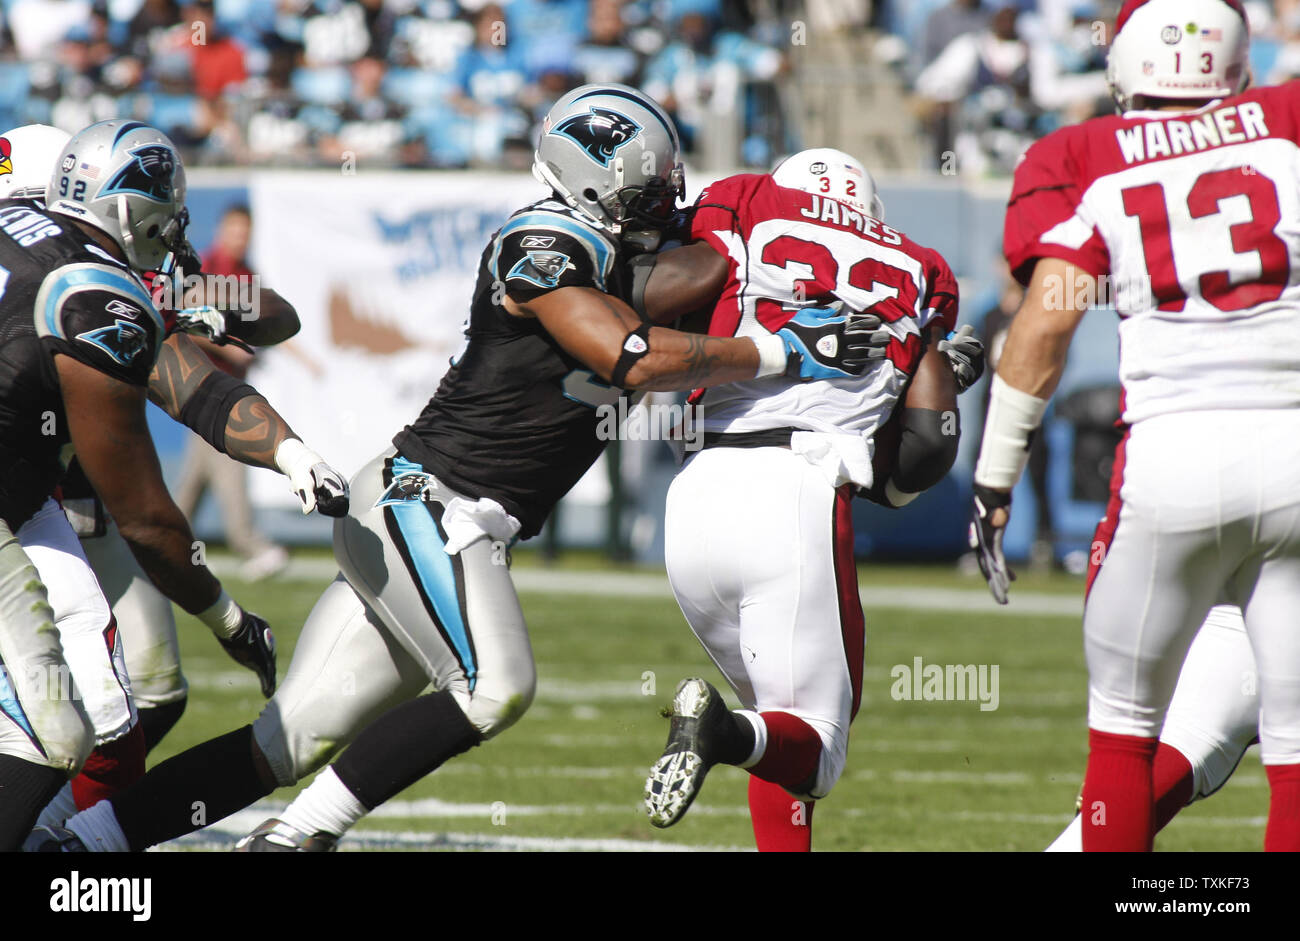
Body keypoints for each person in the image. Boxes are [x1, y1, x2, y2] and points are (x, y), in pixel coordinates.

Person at [37, 84, 878, 852]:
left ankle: (81, 844)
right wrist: (774, 350)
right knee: (494, 685)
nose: (663, 204)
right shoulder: (541, 241)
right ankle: (295, 839)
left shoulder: (620, 253)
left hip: (439, 515)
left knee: (285, 737)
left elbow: (705, 269)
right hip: (425, 500)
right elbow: (627, 355)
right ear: (590, 181)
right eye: (644, 189)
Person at [969, 0, 1300, 851]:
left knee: (1123, 728)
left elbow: (1043, 328)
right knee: (1295, 754)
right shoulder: (1289, 123)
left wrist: (995, 477)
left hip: (1172, 456)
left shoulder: (1085, 159)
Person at [0, 121, 349, 839]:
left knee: (130, 699)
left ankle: (56, 834)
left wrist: (289, 452)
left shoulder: (101, 274)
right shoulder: (89, 289)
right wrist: (226, 617)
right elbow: (151, 513)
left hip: (38, 497)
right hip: (45, 494)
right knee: (53, 723)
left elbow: (257, 326)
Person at [634, 147, 980, 850]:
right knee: (817, 751)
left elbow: (667, 289)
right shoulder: (920, 266)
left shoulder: (742, 198)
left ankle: (730, 734)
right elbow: (921, 455)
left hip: (696, 494)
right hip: (797, 495)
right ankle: (713, 728)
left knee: (777, 722)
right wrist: (933, 368)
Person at [173, 203, 290, 582]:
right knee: (226, 471)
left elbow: (264, 328)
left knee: (194, 482)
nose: (239, 238)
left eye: (245, 232)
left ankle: (171, 545)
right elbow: (183, 325)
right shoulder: (204, 270)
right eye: (234, 230)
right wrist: (229, 350)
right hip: (205, 386)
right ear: (223, 230)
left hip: (227, 388)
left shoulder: (246, 275)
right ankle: (252, 545)